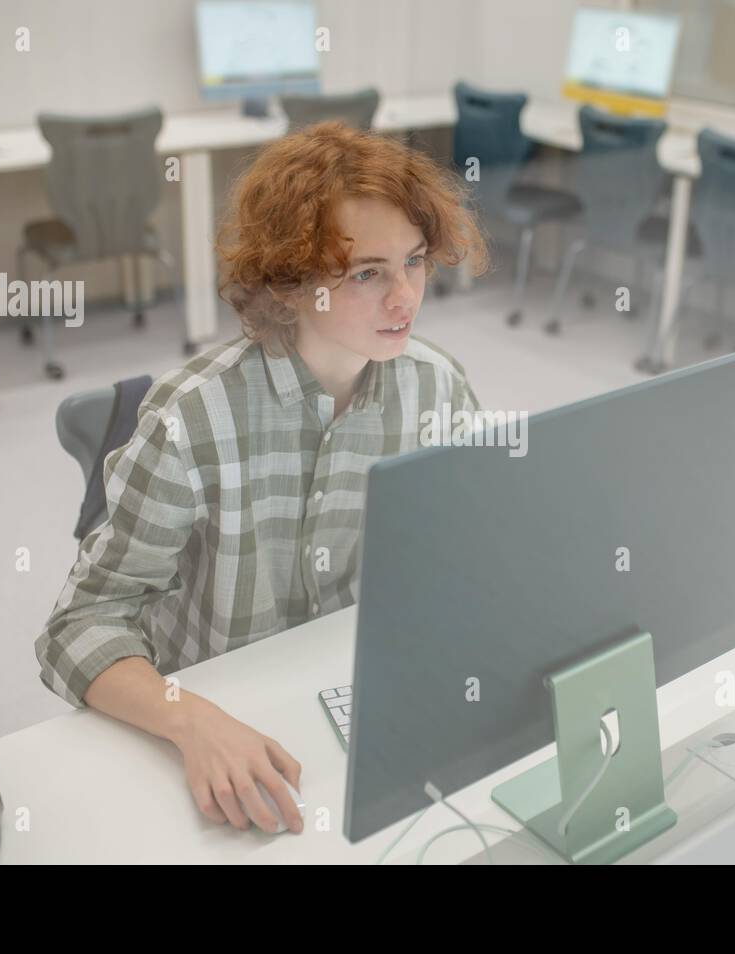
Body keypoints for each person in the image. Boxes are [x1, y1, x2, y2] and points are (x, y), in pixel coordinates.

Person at [35, 122, 488, 834]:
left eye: (416, 261)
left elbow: (464, 558)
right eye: (368, 272)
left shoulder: (437, 390)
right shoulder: (193, 416)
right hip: (218, 711)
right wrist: (191, 722)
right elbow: (78, 627)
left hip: (349, 689)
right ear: (292, 280)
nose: (406, 297)